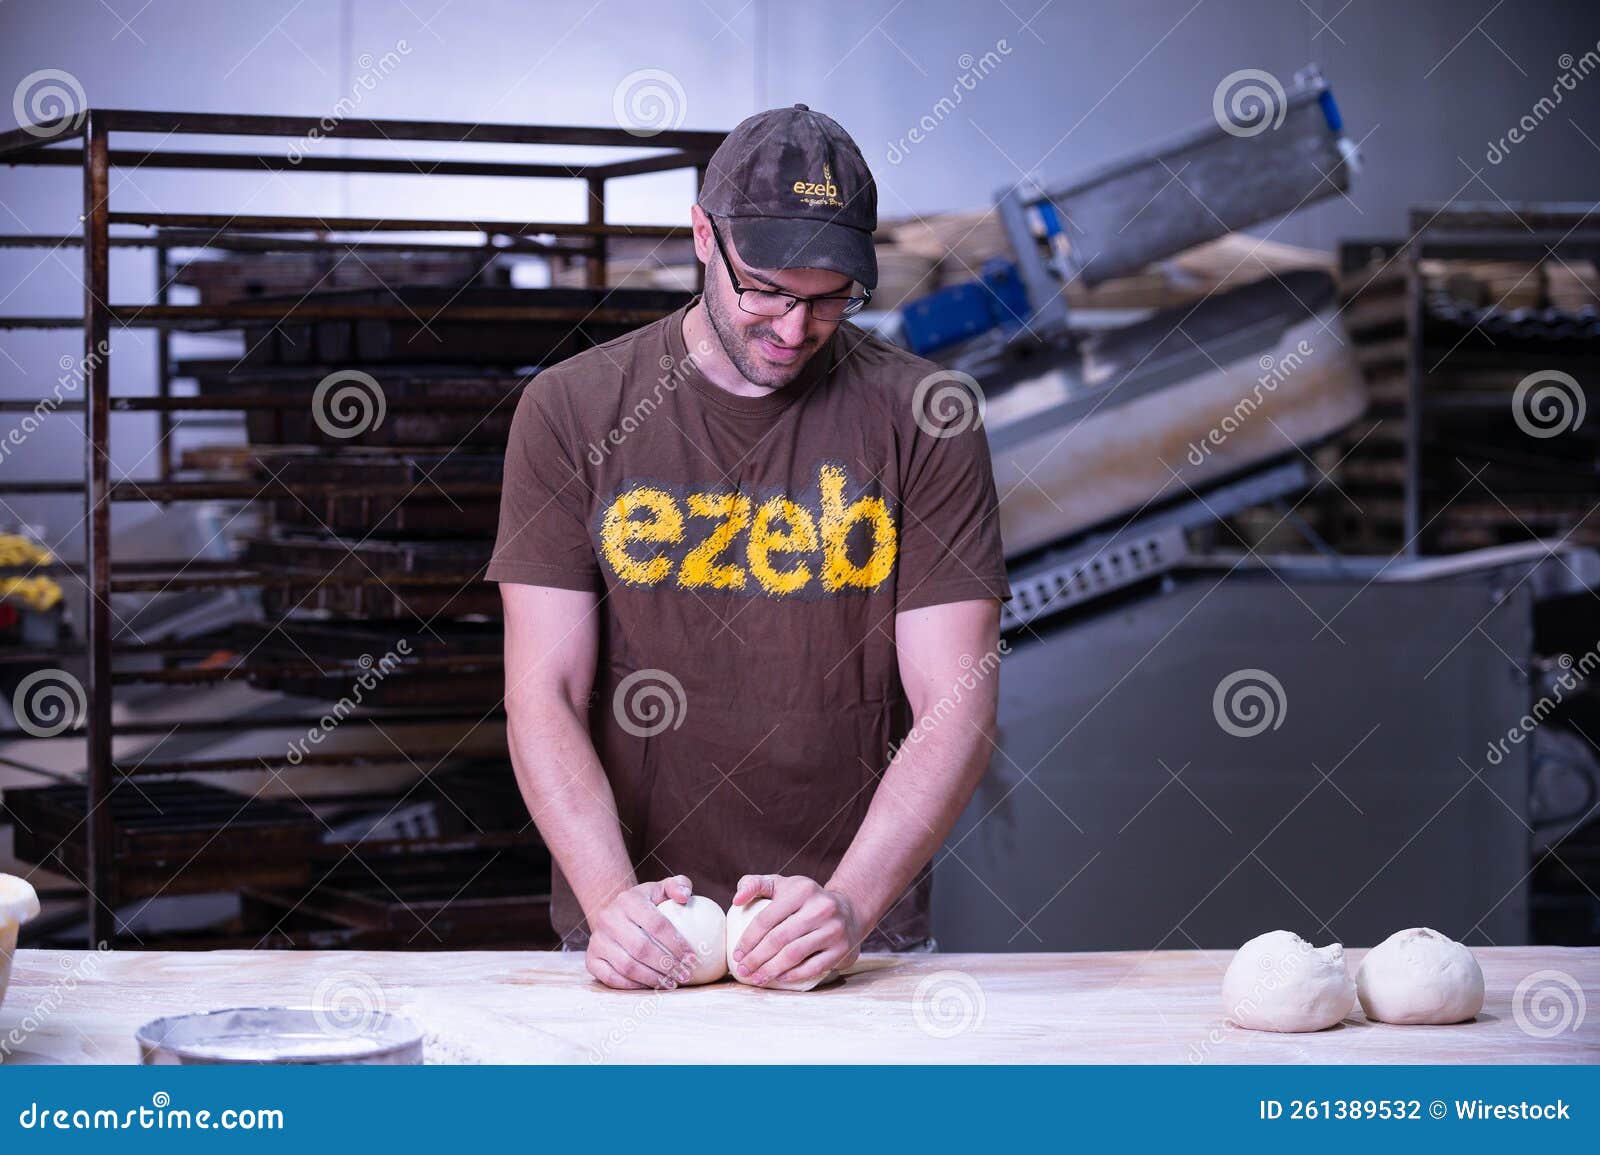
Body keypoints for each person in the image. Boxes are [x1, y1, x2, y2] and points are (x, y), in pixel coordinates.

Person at [488, 104, 1010, 990]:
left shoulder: (927, 417)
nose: (794, 328)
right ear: (702, 235)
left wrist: (848, 902)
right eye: (765, 288)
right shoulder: (572, 410)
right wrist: (613, 901)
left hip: (855, 933)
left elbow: (955, 701)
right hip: (633, 927)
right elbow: (544, 691)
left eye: (830, 298)